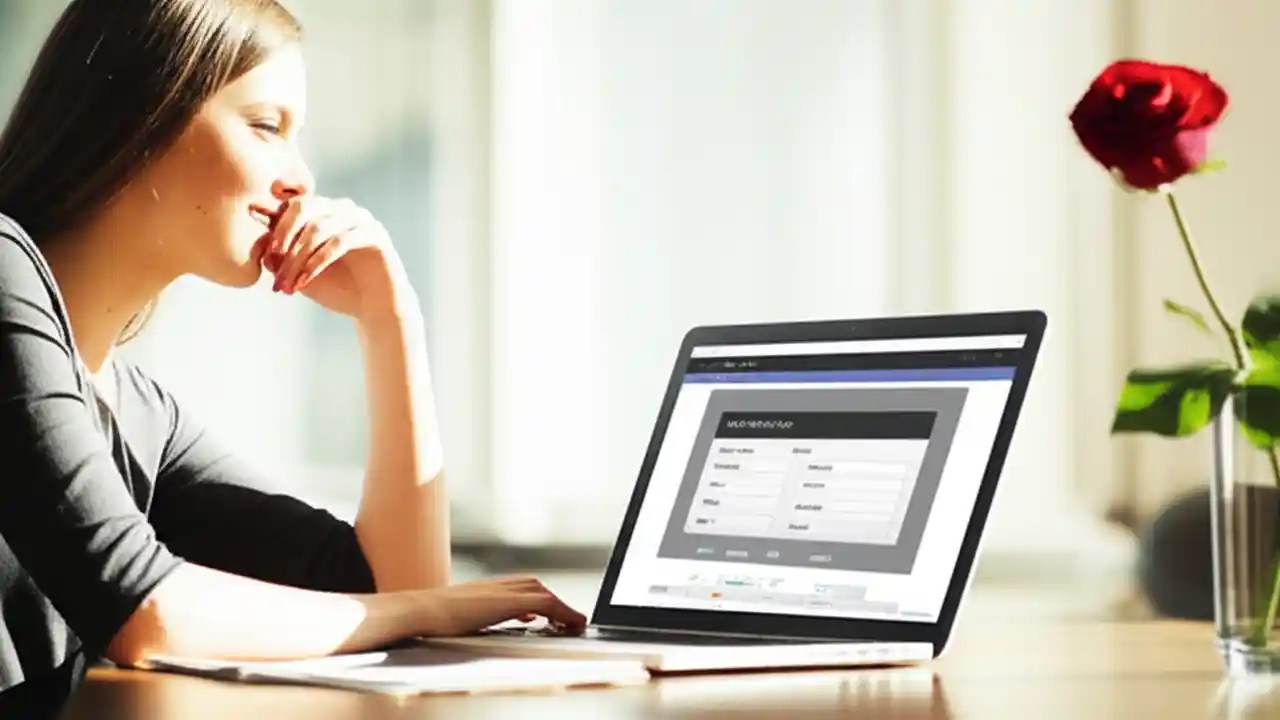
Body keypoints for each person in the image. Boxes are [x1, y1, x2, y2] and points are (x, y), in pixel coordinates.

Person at [0, 0, 585, 713]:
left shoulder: (140, 410)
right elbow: (146, 613)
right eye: (266, 126)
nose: (300, 179)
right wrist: (432, 609)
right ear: (140, 114)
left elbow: (386, 585)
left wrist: (388, 317)